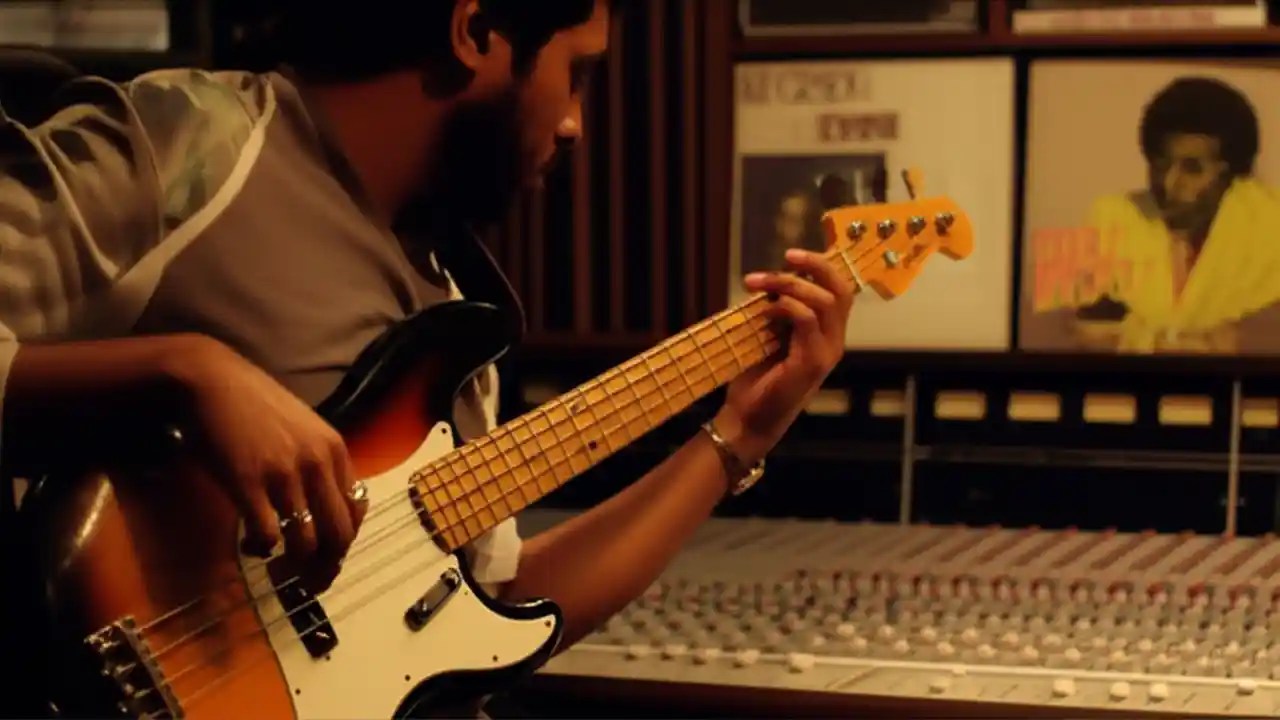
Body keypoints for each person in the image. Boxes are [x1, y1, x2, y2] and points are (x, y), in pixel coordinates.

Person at [0, 0, 854, 710]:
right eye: (576, 73)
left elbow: (501, 598)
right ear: (475, 31)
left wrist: (739, 435)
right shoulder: (196, 149)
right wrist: (183, 374)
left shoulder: (448, 308)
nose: (574, 124)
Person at [1071, 75, 1280, 353]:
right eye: (1160, 165)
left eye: (1192, 169)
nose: (1169, 185)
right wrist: (1193, 343)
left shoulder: (1269, 222)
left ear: (1232, 176)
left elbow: (1263, 341)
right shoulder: (1106, 213)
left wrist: (1136, 336)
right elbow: (1079, 332)